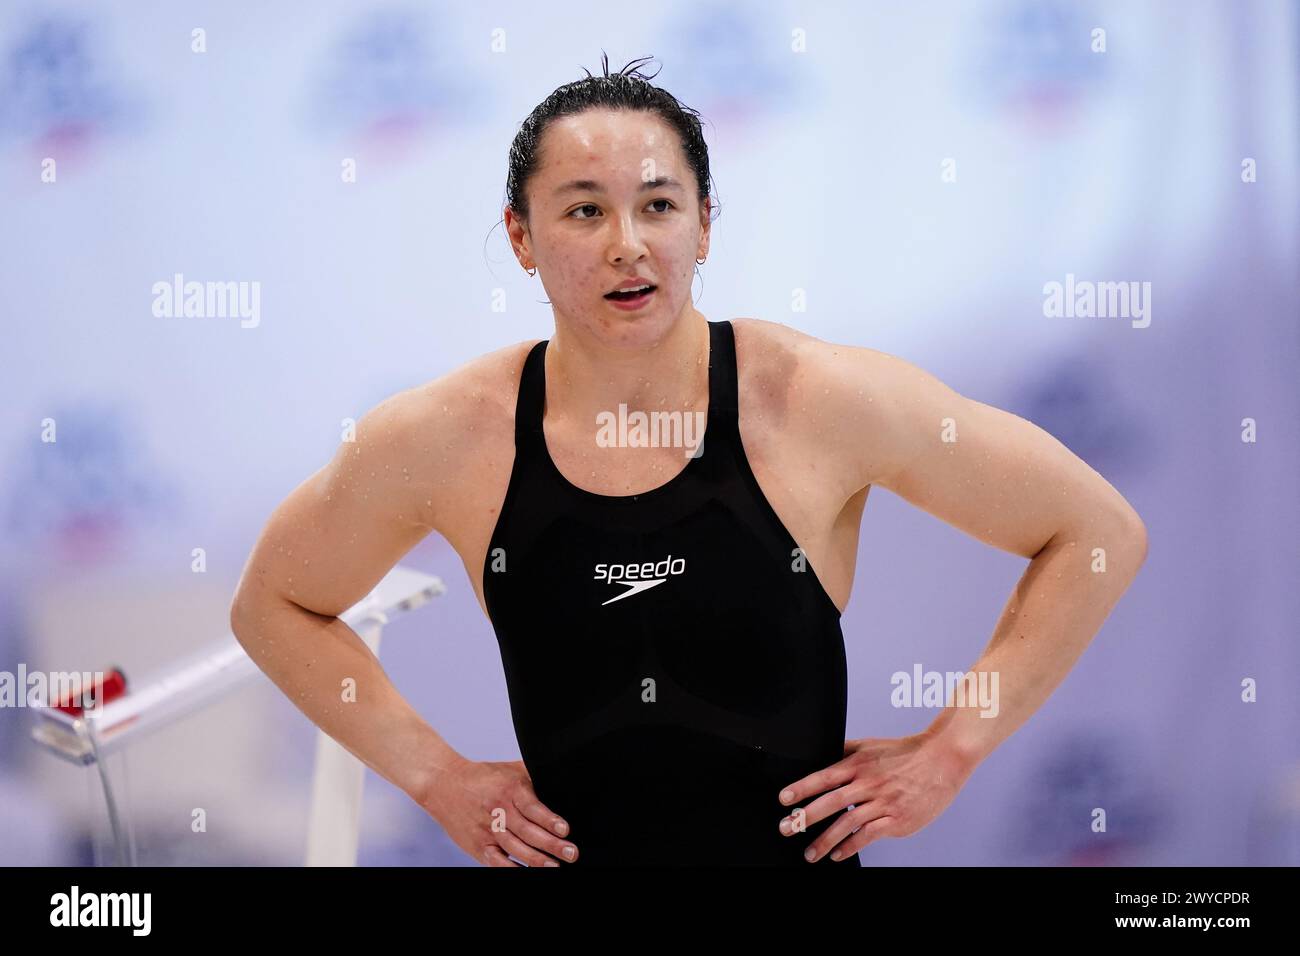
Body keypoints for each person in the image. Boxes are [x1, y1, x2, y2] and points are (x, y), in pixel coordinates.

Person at [229, 54, 1148, 867]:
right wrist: (434, 776)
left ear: (703, 225)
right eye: (584, 211)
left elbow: (1097, 530)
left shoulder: (818, 402)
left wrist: (952, 749)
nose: (627, 244)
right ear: (520, 237)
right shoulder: (446, 435)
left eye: (657, 206)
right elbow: (274, 604)